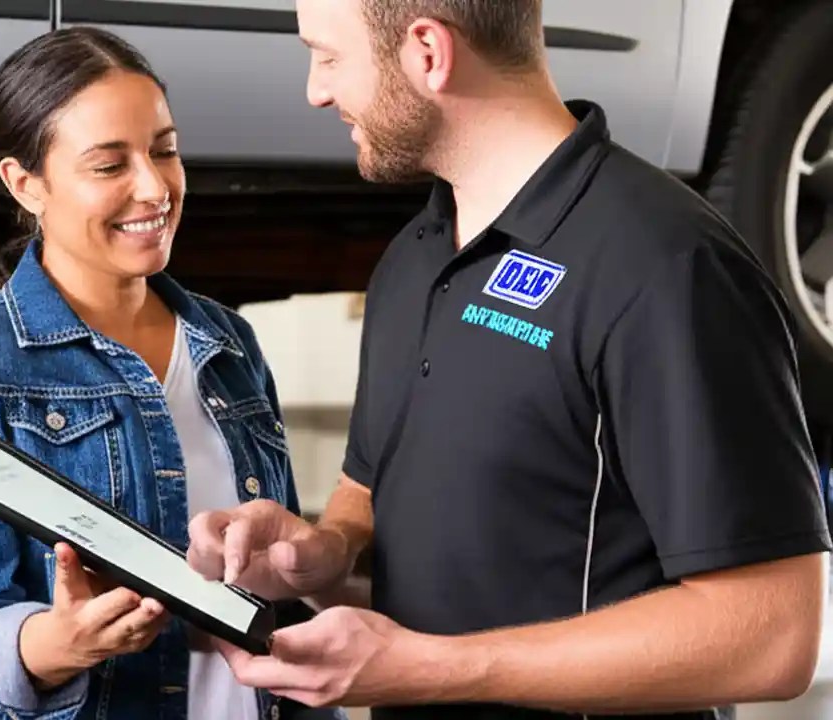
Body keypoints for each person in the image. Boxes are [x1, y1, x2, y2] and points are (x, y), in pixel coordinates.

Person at [186, 1, 832, 718]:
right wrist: (322, 553)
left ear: (428, 52)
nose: (316, 89)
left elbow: (773, 635)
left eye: (330, 57)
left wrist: (429, 668)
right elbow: (367, 491)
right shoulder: (413, 260)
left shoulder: (668, 268)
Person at [0, 26, 340, 720]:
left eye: (165, 150)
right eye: (109, 166)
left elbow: (279, 607)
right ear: (26, 183)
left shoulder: (229, 344)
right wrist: (53, 644)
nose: (155, 187)